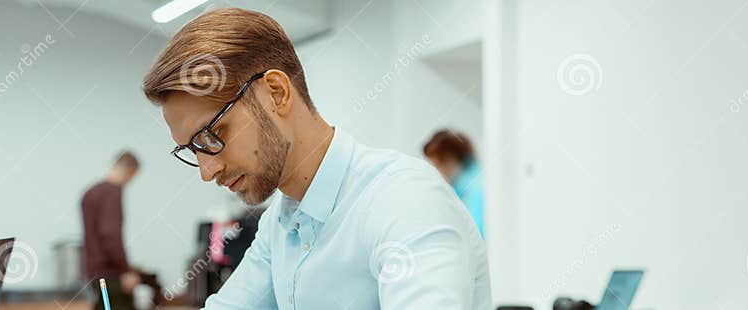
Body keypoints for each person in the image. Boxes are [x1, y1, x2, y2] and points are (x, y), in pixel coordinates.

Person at [140, 8, 490, 309]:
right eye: (192, 149)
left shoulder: (404, 202)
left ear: (275, 93)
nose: (207, 170)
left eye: (212, 135)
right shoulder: (282, 221)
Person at [81, 151, 141, 310]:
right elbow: (111, 235)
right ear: (131, 171)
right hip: (111, 275)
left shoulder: (90, 192)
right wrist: (125, 271)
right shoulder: (112, 192)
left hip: (93, 273)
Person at [423, 130, 485, 237]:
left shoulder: (477, 191)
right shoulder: (461, 189)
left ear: (450, 158)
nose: (436, 171)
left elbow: (474, 237)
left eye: (438, 163)